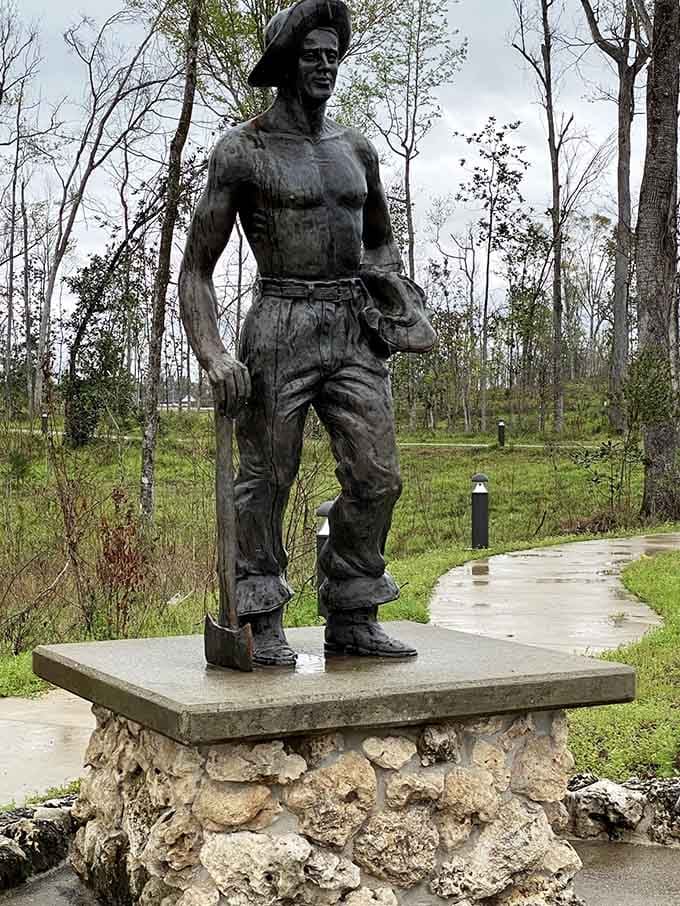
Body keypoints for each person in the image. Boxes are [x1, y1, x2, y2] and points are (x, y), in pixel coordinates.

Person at [179, 0, 435, 667]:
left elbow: (379, 243)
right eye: (311, 54)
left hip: (352, 326)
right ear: (284, 65)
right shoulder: (242, 150)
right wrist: (212, 353)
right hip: (279, 322)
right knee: (266, 476)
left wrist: (391, 305)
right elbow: (195, 272)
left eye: (332, 54)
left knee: (379, 476)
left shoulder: (357, 149)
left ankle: (352, 608)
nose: (325, 65)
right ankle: (259, 612)